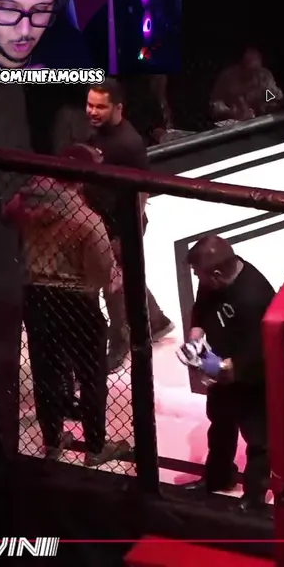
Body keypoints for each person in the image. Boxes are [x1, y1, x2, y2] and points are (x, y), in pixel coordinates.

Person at [1, 144, 130, 467]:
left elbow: (7, 214)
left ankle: (53, 440)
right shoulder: (88, 220)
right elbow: (100, 276)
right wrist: (115, 276)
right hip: (75, 299)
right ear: (83, 178)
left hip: (36, 295)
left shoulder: (29, 200)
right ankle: (96, 446)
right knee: (91, 374)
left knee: (46, 370)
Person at [180, 236, 275, 511]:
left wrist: (207, 365)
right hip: (224, 360)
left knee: (259, 439)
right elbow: (201, 310)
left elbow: (250, 360)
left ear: (217, 274)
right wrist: (195, 341)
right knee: (220, 424)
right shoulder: (213, 279)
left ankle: (254, 498)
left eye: (199, 274)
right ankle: (218, 478)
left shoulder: (254, 298)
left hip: (255, 375)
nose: (197, 278)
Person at [85, 82, 174, 372]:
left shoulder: (129, 143)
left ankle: (120, 341)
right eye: (90, 105)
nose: (93, 111)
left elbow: (141, 191)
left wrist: (127, 233)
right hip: (102, 219)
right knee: (123, 276)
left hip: (121, 224)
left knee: (113, 284)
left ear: (118, 108)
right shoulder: (98, 132)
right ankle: (156, 321)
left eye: (100, 106)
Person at [210, 47, 284, 124]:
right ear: (241, 66)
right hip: (234, 124)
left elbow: (272, 97)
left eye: (257, 70)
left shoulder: (264, 76)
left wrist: (270, 100)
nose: (254, 75)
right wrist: (230, 112)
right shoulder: (227, 77)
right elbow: (215, 105)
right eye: (250, 70)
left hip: (261, 121)